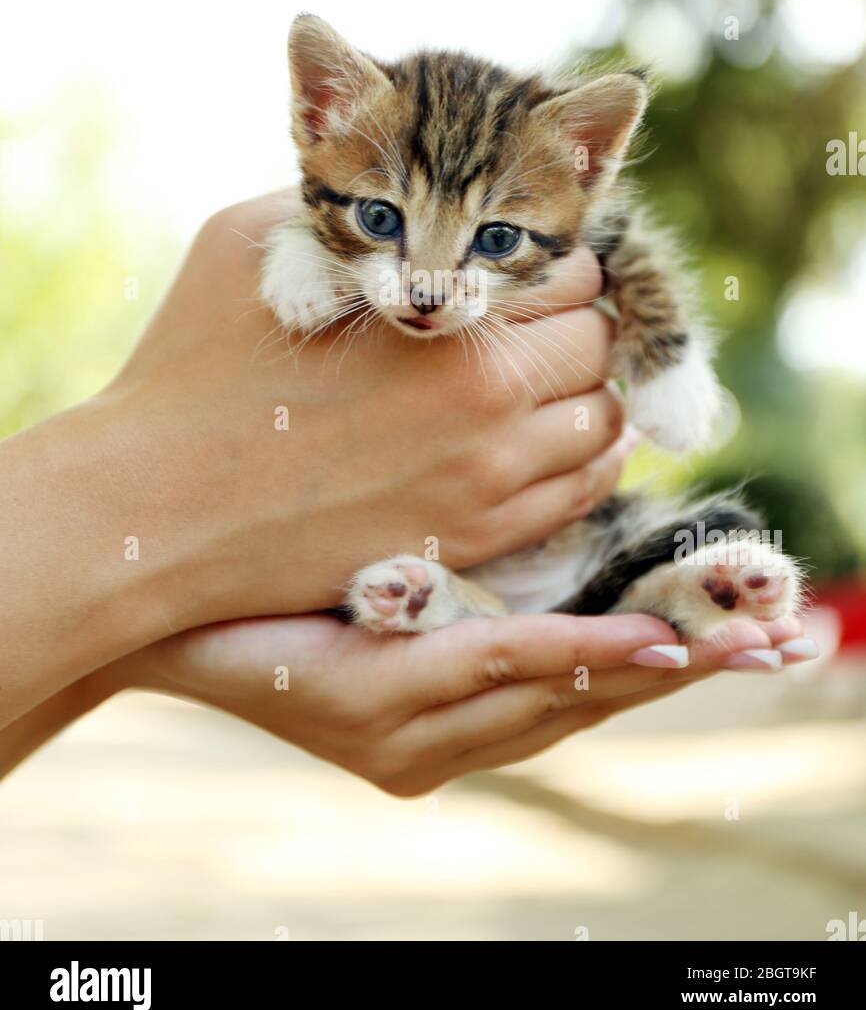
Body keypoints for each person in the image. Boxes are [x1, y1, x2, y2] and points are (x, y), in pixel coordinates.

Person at [0, 197, 813, 791]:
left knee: (656, 532)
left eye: (489, 237)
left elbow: (615, 234)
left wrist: (663, 348)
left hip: (561, 546)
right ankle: (504, 599)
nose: (428, 287)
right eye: (385, 222)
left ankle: (667, 583)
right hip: (468, 571)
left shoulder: (560, 210)